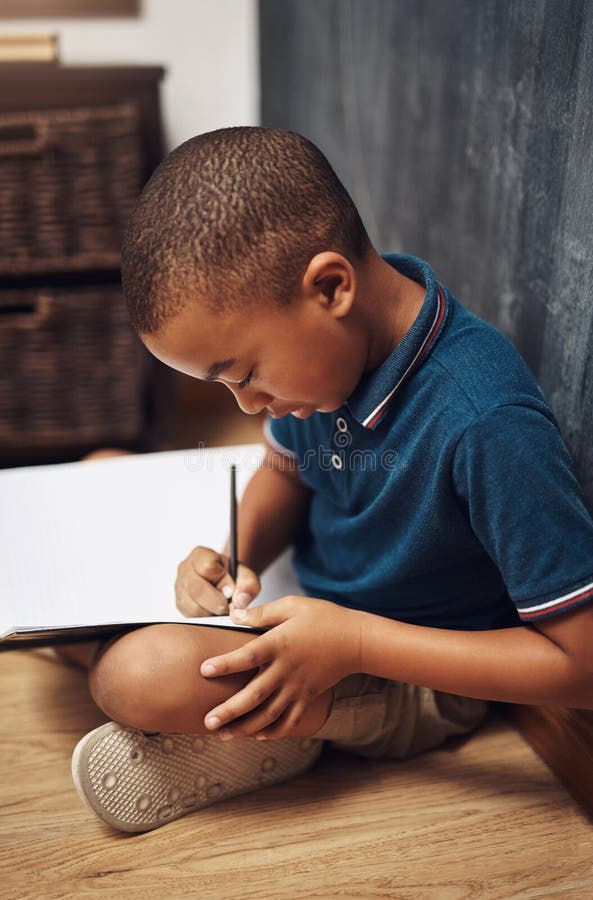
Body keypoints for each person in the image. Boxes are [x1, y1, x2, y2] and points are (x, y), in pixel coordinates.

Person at [64, 127, 593, 833]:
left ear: (331, 287)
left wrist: (351, 646)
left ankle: (295, 729)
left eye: (245, 375)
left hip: (408, 667)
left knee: (131, 675)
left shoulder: (485, 422)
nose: (248, 406)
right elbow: (286, 468)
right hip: (312, 608)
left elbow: (581, 664)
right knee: (93, 492)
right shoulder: (331, 359)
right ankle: (246, 719)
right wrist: (235, 554)